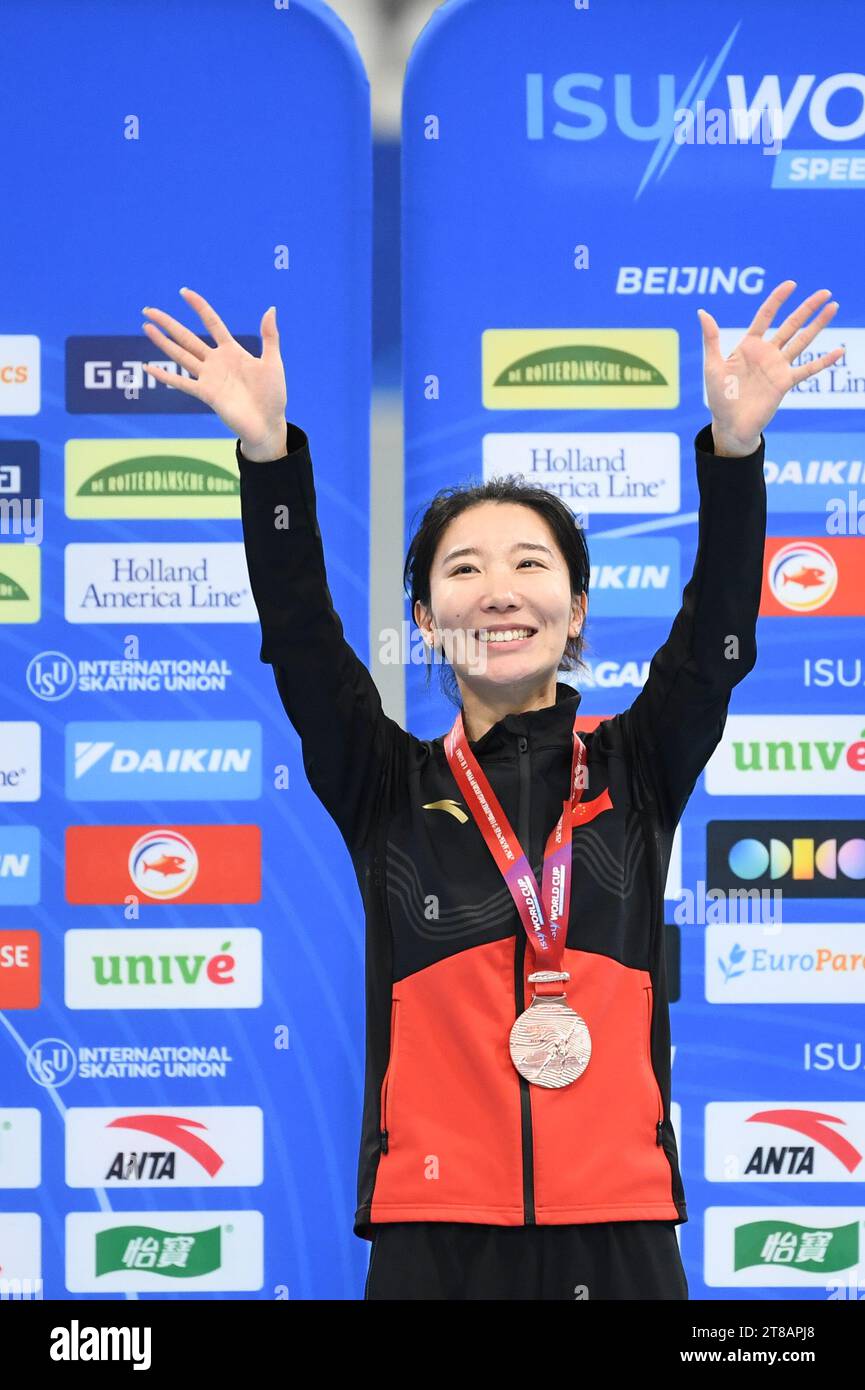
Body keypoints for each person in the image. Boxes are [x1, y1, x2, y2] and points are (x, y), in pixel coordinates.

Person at [142, 280, 842, 1300]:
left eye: (529, 562)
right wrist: (267, 459)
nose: (500, 589)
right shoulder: (384, 782)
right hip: (434, 1234)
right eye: (463, 569)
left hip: (622, 1226)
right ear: (425, 621)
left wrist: (733, 461)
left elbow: (718, 644)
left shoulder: (636, 770)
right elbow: (300, 637)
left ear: (575, 611)